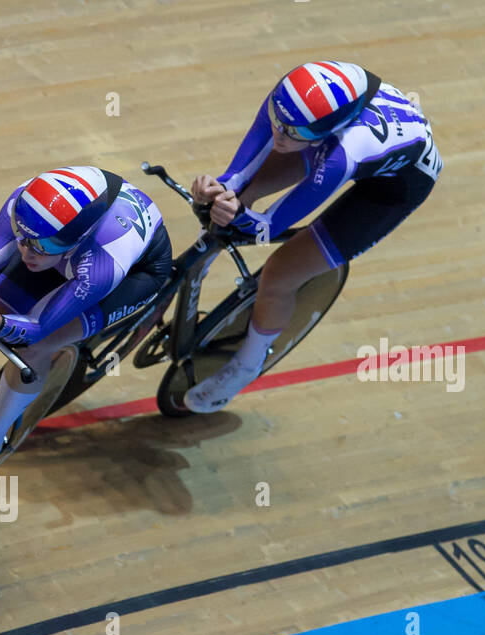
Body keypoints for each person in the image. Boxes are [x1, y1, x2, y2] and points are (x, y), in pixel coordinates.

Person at [184, 60, 442, 412]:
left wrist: (239, 216)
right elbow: (238, 173)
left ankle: (246, 365)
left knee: (279, 273)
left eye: (295, 133)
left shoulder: (343, 153)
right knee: (241, 194)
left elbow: (267, 227)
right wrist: (221, 189)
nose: (279, 136)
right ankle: (200, 262)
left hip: (392, 190)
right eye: (280, 123)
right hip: (338, 132)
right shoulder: (291, 99)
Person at [0, 165, 172, 478]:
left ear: (78, 239)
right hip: (66, 245)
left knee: (36, 349)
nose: (27, 252)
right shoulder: (27, 205)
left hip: (138, 272)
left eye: (41, 246)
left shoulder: (101, 262)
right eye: (22, 239)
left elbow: (38, 326)